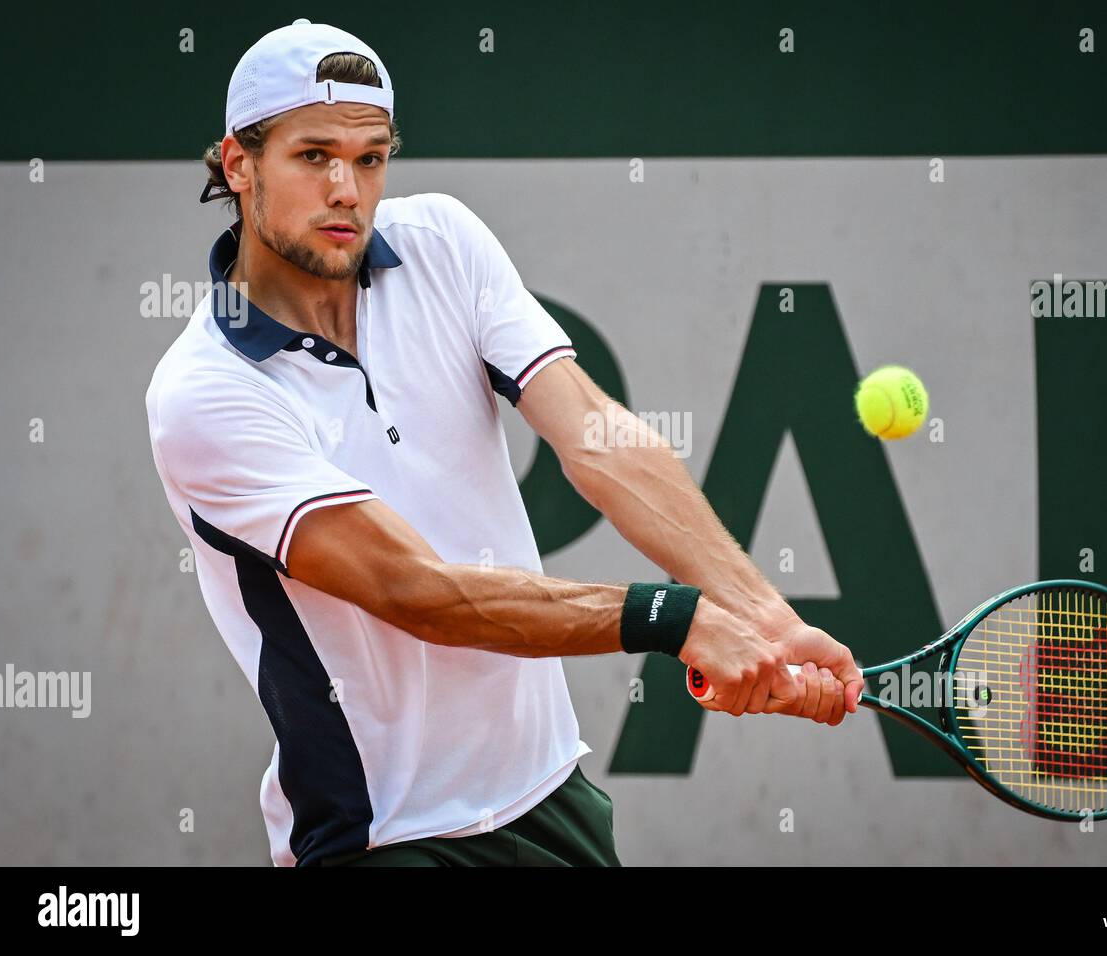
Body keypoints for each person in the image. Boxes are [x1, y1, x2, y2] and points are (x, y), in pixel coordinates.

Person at [146, 19, 863, 867]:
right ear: (239, 164)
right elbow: (418, 592)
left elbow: (602, 443)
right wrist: (675, 618)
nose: (347, 188)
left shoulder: (442, 242)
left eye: (371, 157)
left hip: (552, 799)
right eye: (314, 156)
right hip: (386, 839)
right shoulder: (204, 392)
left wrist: (761, 615)